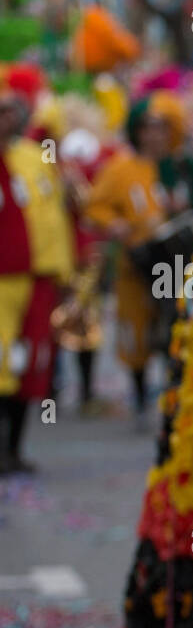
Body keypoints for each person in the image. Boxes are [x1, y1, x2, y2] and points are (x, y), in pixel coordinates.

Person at [85, 91, 186, 425]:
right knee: (137, 331)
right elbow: (95, 206)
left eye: (161, 127)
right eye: (148, 128)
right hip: (135, 264)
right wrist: (115, 224)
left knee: (174, 327)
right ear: (137, 131)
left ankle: (175, 396)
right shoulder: (120, 168)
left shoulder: (179, 165)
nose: (155, 135)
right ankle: (141, 397)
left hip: (175, 263)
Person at [0, 65, 74, 474]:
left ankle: (14, 447)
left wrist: (62, 271)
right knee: (2, 363)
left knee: (32, 365)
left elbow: (54, 217)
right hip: (3, 281)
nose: (6, 119)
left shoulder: (33, 158)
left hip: (38, 277)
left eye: (11, 110)